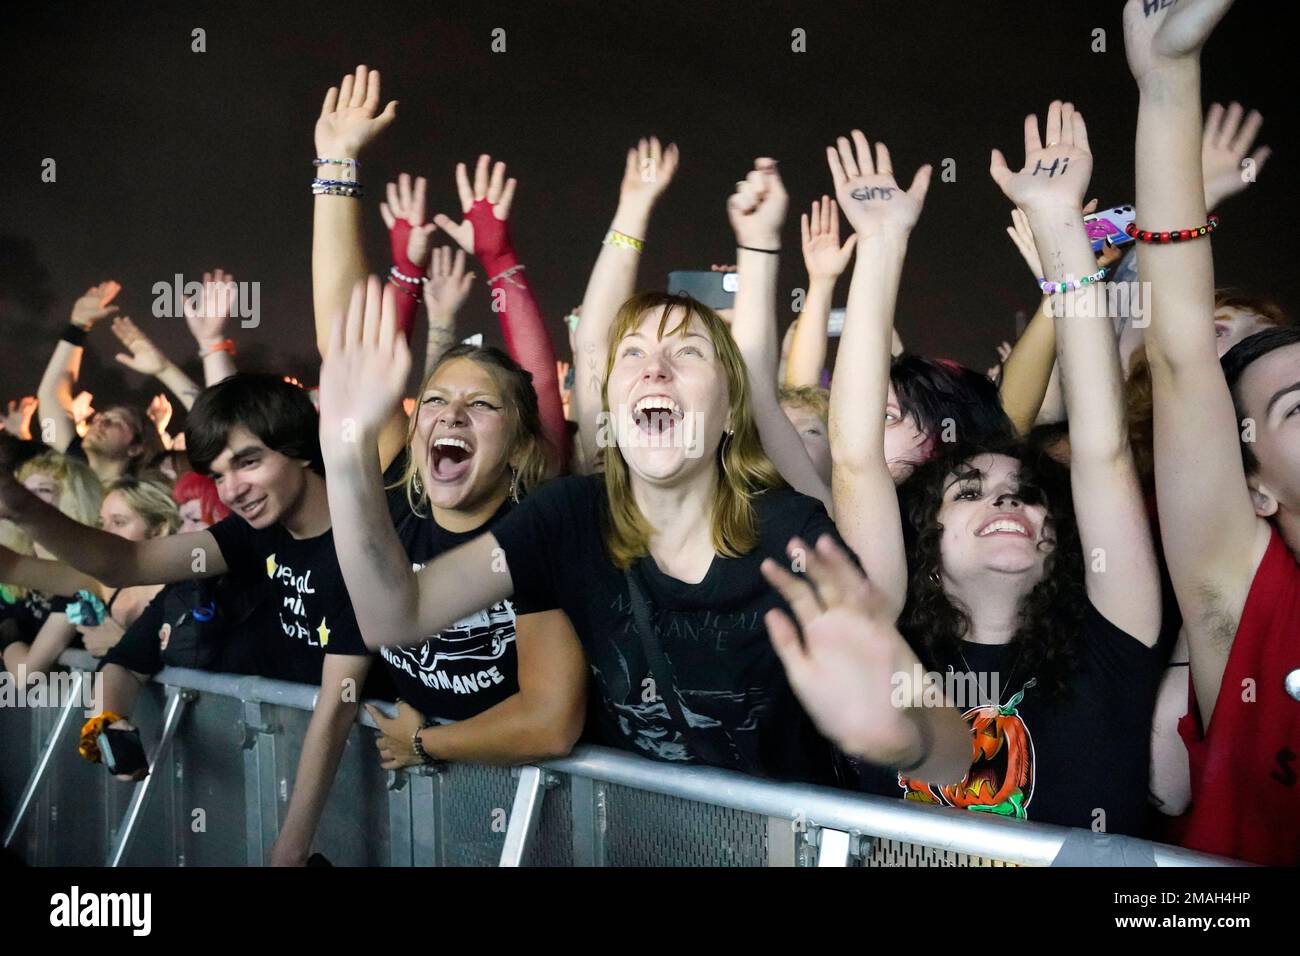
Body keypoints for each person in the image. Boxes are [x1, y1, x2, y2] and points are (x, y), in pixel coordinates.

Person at [317, 166, 970, 783]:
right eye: (634, 353)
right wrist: (346, 452)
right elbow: (392, 614)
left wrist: (900, 741)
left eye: (686, 352)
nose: (655, 368)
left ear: (729, 413)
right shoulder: (567, 520)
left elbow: (953, 756)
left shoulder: (789, 534)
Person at [830, 110, 1165, 834]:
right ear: (924, 534)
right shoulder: (891, 640)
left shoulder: (1112, 645)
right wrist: (881, 247)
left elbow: (1104, 448)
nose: (1006, 502)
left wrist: (1060, 232)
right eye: (969, 490)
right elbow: (855, 456)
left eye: (1025, 495)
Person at [308, 65, 586, 769]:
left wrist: (428, 744)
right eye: (434, 399)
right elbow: (349, 351)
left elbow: (550, 723)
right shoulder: (400, 489)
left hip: (542, 802)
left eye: (479, 404)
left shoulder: (538, 527)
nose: (449, 414)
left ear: (521, 445)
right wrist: (336, 168)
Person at [0, 373, 375, 867]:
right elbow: (127, 564)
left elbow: (337, 705)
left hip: (381, 781)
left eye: (248, 462)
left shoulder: (362, 542)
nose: (233, 489)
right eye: (219, 474)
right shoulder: (254, 533)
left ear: (302, 449)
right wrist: (20, 506)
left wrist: (290, 845)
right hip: (310, 781)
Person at [1123, 0, 1298, 865]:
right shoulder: (1247, 599)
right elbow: (1181, 351)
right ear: (1254, 484)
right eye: (1298, 407)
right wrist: (1167, 81)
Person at [85, 472, 273, 781]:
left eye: (194, 519)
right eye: (181, 519)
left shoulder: (271, 579)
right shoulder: (185, 588)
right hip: (218, 783)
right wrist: (108, 722)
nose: (182, 532)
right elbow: (125, 662)